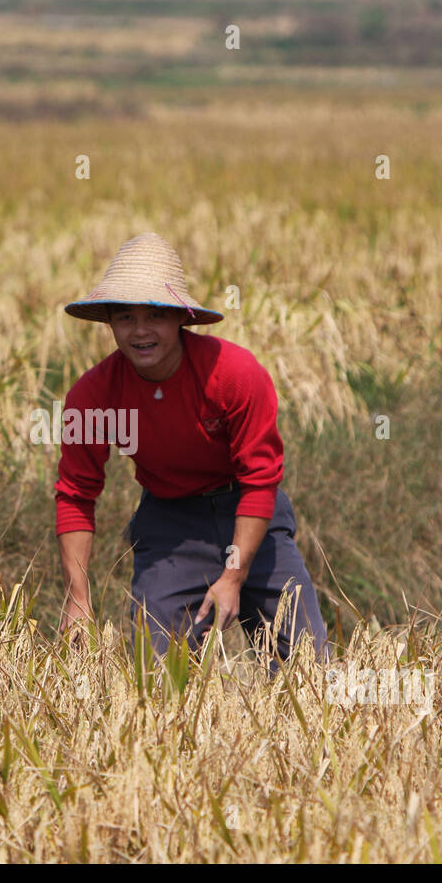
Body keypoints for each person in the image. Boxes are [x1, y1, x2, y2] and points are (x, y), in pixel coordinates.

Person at [54, 231, 329, 671]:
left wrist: (233, 576)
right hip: (169, 521)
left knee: (304, 666)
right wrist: (78, 600)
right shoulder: (93, 396)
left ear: (182, 319)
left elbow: (260, 478)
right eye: (125, 317)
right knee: (158, 674)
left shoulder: (234, 374)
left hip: (249, 507)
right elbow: (76, 494)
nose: (140, 331)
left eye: (155, 316)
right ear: (108, 323)